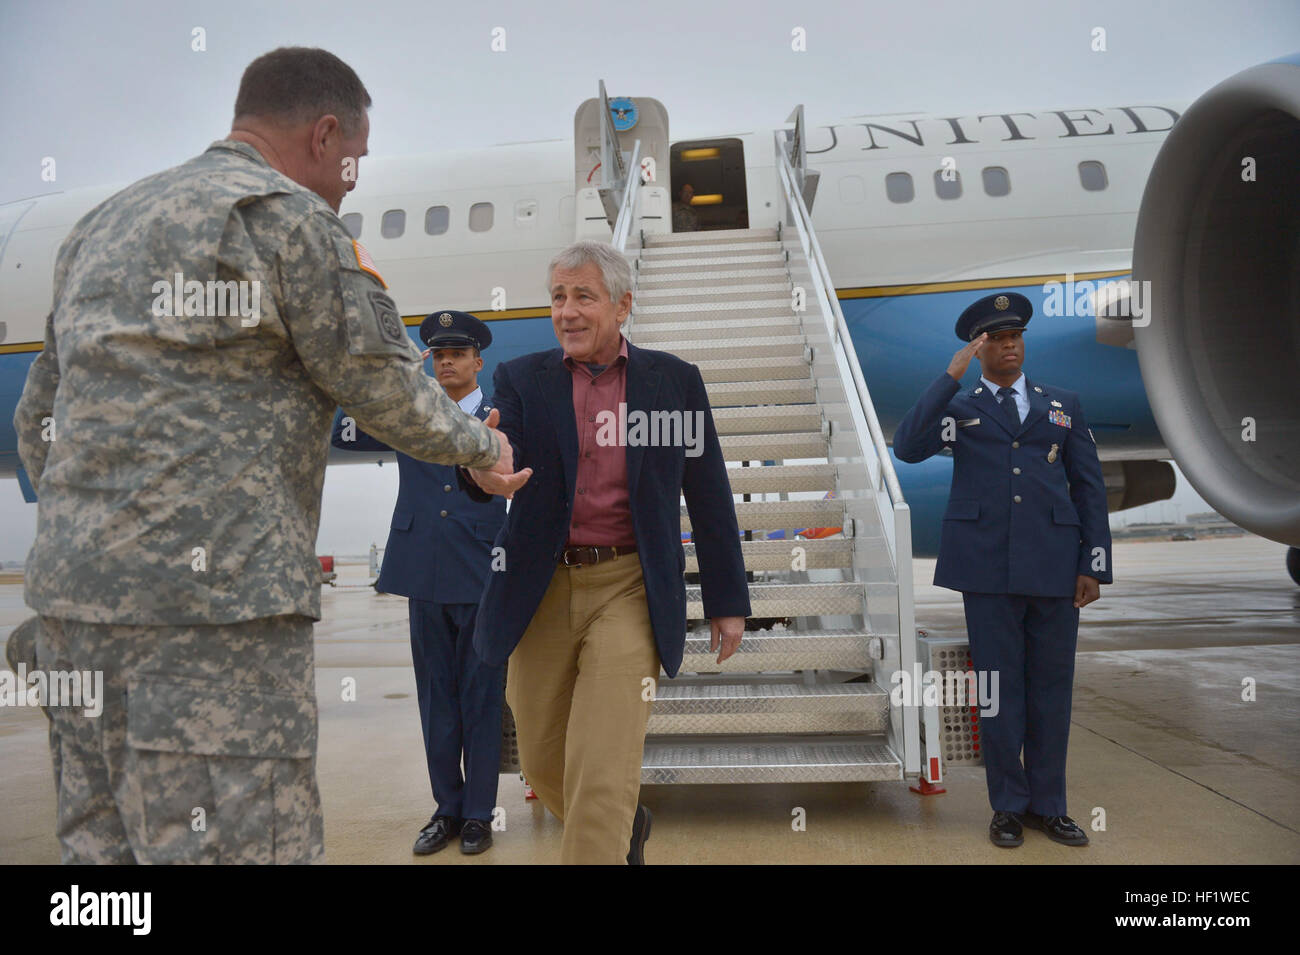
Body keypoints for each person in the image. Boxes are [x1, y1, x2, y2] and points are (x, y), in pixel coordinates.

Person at [9, 47, 526, 865]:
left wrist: (95, 542)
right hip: (216, 628)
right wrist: (485, 446)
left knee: (102, 867)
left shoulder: (99, 228)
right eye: (354, 161)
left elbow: (38, 413)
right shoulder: (287, 222)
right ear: (325, 135)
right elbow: (386, 386)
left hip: (71, 623)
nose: (350, 181)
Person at [464, 241, 751, 864]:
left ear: (622, 305)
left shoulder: (673, 382)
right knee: (542, 756)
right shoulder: (522, 378)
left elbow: (708, 494)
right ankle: (624, 826)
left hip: (628, 586)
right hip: (540, 587)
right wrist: (484, 464)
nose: (566, 312)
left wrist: (728, 600)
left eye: (582, 297)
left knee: (603, 762)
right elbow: (496, 447)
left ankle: (605, 833)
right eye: (558, 297)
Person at [893, 292, 1111, 849]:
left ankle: (1049, 806)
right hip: (987, 570)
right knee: (997, 691)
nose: (1009, 345)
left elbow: (1088, 487)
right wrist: (948, 377)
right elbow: (908, 445)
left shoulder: (1062, 405)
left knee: (1051, 692)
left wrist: (1093, 563)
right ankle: (1008, 807)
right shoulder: (961, 411)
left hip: (1056, 568)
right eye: (997, 338)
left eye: (1015, 336)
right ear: (980, 346)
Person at [331, 310, 506, 856]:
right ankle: (446, 809)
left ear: (479, 361)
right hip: (424, 571)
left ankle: (479, 813)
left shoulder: (504, 418)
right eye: (440, 353)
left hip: (481, 572)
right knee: (437, 702)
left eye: (459, 353)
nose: (449, 361)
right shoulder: (407, 413)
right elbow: (344, 425)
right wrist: (403, 370)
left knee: (482, 700)